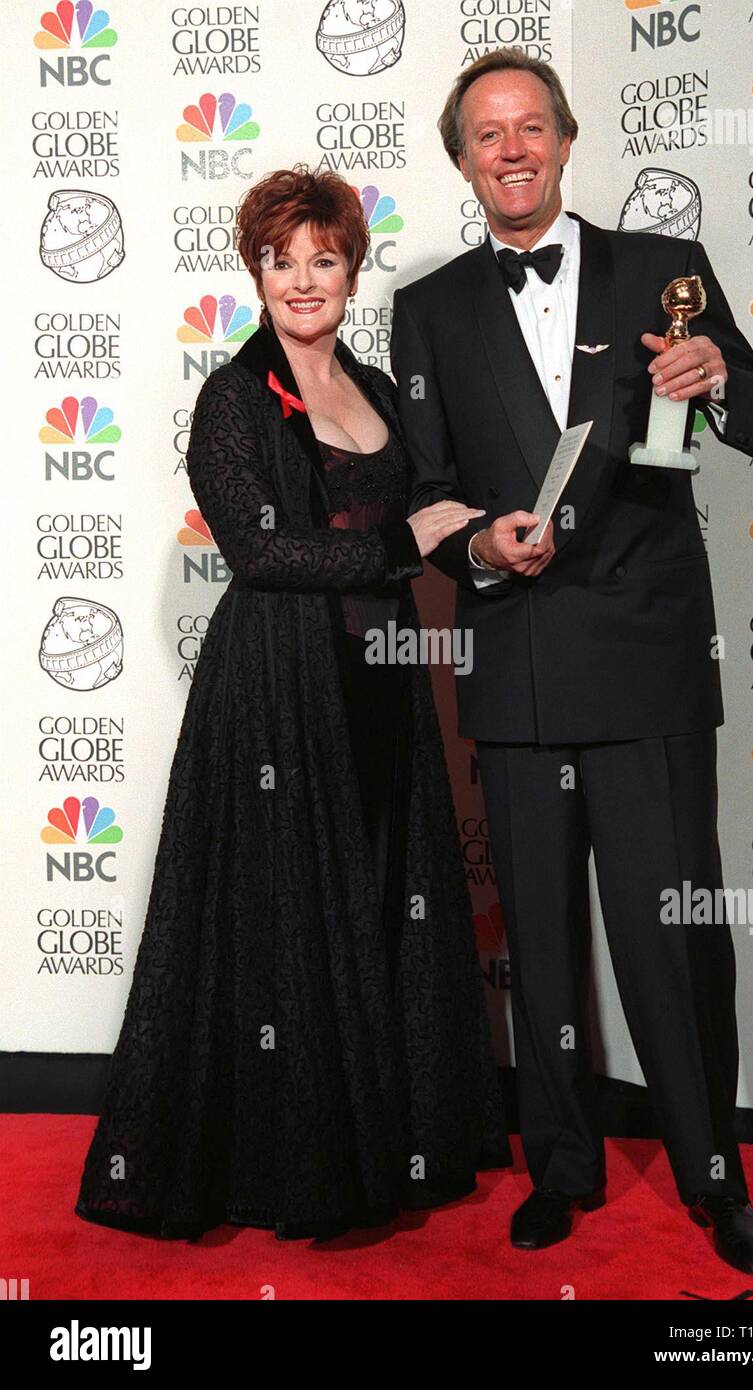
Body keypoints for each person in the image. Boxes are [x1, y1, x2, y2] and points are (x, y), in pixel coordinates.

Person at [390, 49, 753, 1273]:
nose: (509, 150)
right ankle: (559, 1168)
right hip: (514, 658)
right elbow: (422, 492)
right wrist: (478, 539)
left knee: (670, 936)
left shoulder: (662, 270)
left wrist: (720, 374)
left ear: (566, 140)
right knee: (540, 939)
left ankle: (712, 1179)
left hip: (646, 662)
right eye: (484, 135)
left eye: (529, 127)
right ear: (461, 160)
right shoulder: (427, 306)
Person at [75, 164, 512, 1243]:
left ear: (351, 268)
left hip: (381, 685)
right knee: (284, 920)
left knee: (379, 899)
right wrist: (392, 545)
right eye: (282, 259)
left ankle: (387, 1140)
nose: (303, 279)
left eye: (324, 257)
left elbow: (424, 512)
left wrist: (481, 540)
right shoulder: (234, 395)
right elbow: (260, 548)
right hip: (277, 689)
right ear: (255, 272)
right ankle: (297, 1166)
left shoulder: (370, 380)